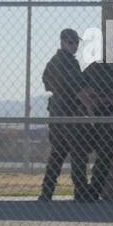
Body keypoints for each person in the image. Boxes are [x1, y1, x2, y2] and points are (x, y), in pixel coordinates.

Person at [38, 29, 91, 202]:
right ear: (62, 42)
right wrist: (90, 110)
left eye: (76, 42)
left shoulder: (53, 62)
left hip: (57, 113)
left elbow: (48, 83)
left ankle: (47, 192)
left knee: (58, 153)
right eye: (70, 42)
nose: (74, 46)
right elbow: (78, 90)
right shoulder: (67, 63)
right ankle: (81, 191)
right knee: (78, 151)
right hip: (69, 113)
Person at [82, 60, 113, 201]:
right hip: (96, 118)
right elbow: (78, 86)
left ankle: (94, 189)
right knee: (90, 152)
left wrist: (103, 100)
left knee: (105, 153)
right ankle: (86, 189)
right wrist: (90, 102)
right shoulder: (95, 68)